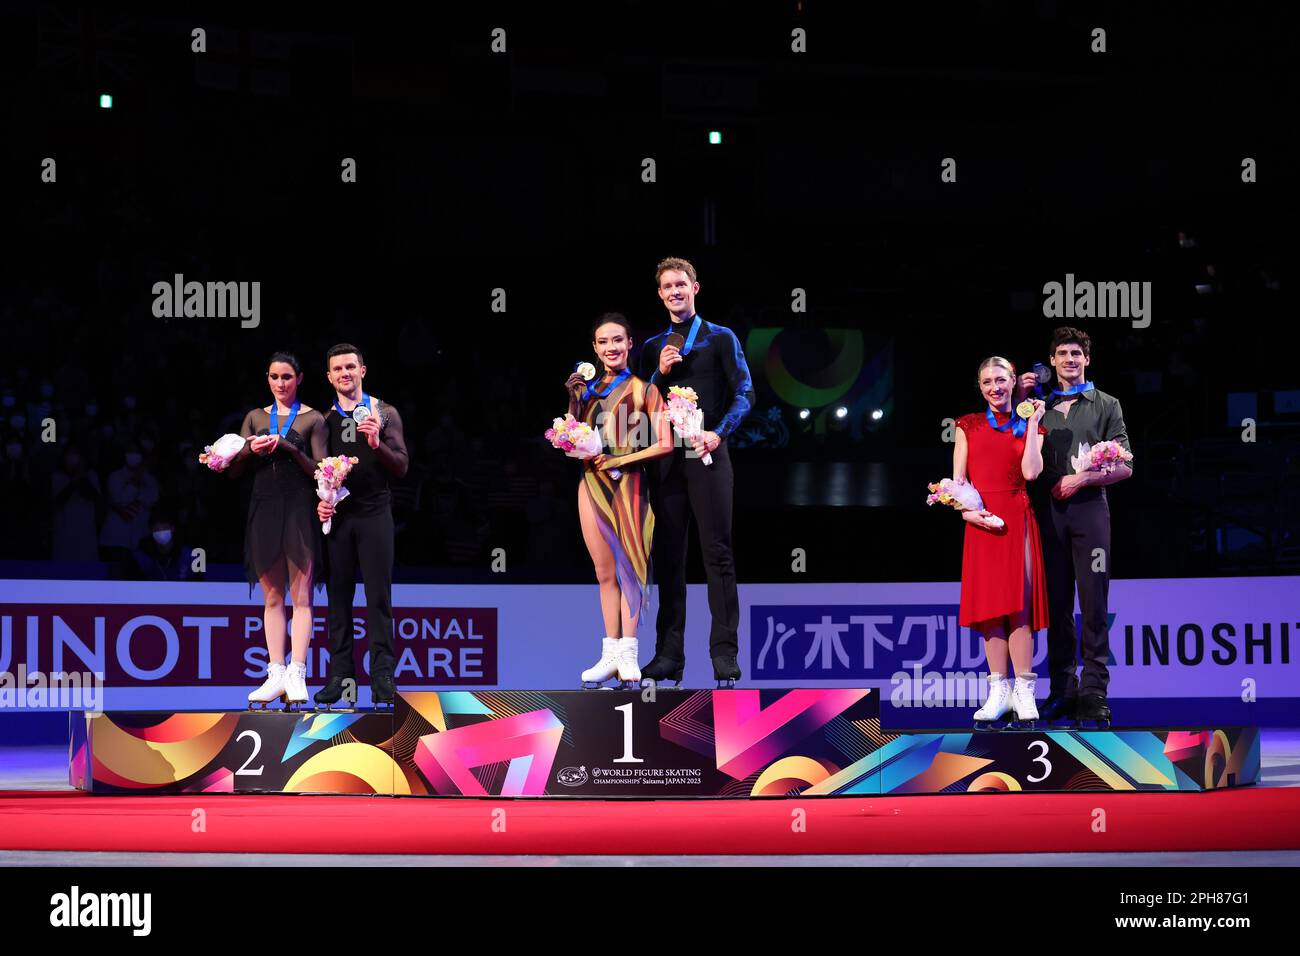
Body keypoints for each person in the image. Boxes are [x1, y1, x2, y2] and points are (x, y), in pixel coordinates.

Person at [636, 257, 755, 687]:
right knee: (668, 557)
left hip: (708, 456)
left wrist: (718, 434)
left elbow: (745, 392)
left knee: (717, 554)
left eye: (681, 284)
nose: (674, 292)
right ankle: (668, 655)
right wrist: (657, 374)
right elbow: (637, 405)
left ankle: (724, 654)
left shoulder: (720, 338)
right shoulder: (652, 346)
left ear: (695, 288)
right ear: (660, 294)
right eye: (667, 286)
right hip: (666, 463)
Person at [1019, 327, 1133, 728]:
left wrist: (1082, 479)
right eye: (1062, 353)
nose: (1069, 359)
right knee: (1058, 607)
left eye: (1076, 353)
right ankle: (1062, 692)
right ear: (1051, 360)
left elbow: (1125, 465)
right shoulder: (1036, 407)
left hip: (1089, 512)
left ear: (1087, 360)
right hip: (1047, 514)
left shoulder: (1106, 404)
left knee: (1094, 604)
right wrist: (1020, 398)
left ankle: (1094, 694)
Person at [564, 313, 675, 687]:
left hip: (630, 485)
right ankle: (609, 653)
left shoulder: (646, 390)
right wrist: (572, 400)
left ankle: (629, 652)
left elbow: (664, 443)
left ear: (629, 344)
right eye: (603, 342)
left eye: (618, 341)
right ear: (594, 349)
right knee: (604, 572)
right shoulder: (586, 392)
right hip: (591, 484)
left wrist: (620, 459)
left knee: (630, 569)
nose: (611, 348)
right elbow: (570, 437)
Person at [214, 352, 327, 709]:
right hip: (263, 509)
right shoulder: (254, 417)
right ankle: (275, 671)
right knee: (273, 597)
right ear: (268, 379)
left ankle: (297, 670)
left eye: (288, 377)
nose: (281, 383)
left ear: (300, 378)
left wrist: (292, 449)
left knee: (302, 596)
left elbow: (322, 473)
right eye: (275, 377)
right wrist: (247, 449)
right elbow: (231, 473)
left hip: (298, 510)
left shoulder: (313, 419)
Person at [953, 356, 1049, 728]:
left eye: (1001, 379)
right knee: (991, 610)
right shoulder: (967, 425)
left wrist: (1035, 424)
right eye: (987, 382)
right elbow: (958, 482)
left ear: (1014, 382)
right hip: (981, 522)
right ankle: (998, 691)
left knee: (1020, 607)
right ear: (980, 387)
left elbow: (1031, 472)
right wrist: (967, 512)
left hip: (1018, 517)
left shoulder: (1029, 424)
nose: (995, 387)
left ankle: (1025, 690)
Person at [314, 344, 409, 710]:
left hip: (375, 516)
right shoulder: (324, 421)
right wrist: (322, 500)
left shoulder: (384, 413)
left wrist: (375, 443)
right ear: (329, 376)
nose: (345, 374)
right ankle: (339, 675)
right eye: (337, 369)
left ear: (363, 370)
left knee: (378, 599)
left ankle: (383, 674)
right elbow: (321, 473)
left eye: (351, 367)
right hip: (340, 519)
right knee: (338, 599)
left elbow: (401, 466)